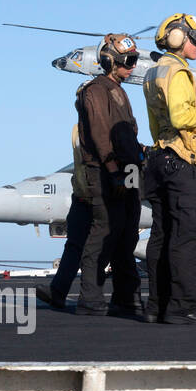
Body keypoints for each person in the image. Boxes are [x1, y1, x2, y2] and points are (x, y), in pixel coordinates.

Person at [142, 14, 196, 325]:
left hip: (160, 159)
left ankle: (156, 306)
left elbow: (156, 123)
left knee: (161, 235)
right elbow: (180, 117)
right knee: (187, 236)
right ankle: (183, 307)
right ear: (178, 38)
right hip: (182, 162)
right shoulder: (177, 71)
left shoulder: (153, 72)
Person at [75, 34, 144, 317]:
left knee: (127, 234)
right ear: (108, 61)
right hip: (105, 171)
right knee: (103, 232)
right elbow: (101, 134)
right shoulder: (95, 91)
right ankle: (89, 296)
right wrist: (114, 171)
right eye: (128, 62)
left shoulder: (119, 90)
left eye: (134, 61)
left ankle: (125, 296)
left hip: (129, 171)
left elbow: (128, 133)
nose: (132, 67)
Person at [36, 121, 95, 311]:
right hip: (82, 195)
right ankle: (58, 292)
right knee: (75, 243)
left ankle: (99, 298)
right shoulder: (80, 126)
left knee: (104, 247)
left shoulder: (105, 119)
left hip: (101, 195)